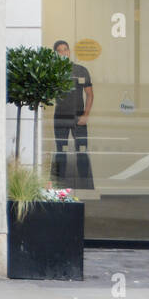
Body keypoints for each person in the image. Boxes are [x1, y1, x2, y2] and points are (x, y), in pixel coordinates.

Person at [51, 40, 94, 189]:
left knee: (82, 151)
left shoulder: (81, 70)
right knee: (60, 151)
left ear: (69, 52)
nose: (63, 52)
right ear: (56, 54)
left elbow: (89, 95)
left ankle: (86, 184)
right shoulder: (52, 71)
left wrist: (85, 115)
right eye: (59, 50)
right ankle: (58, 186)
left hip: (79, 117)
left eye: (65, 49)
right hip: (61, 117)